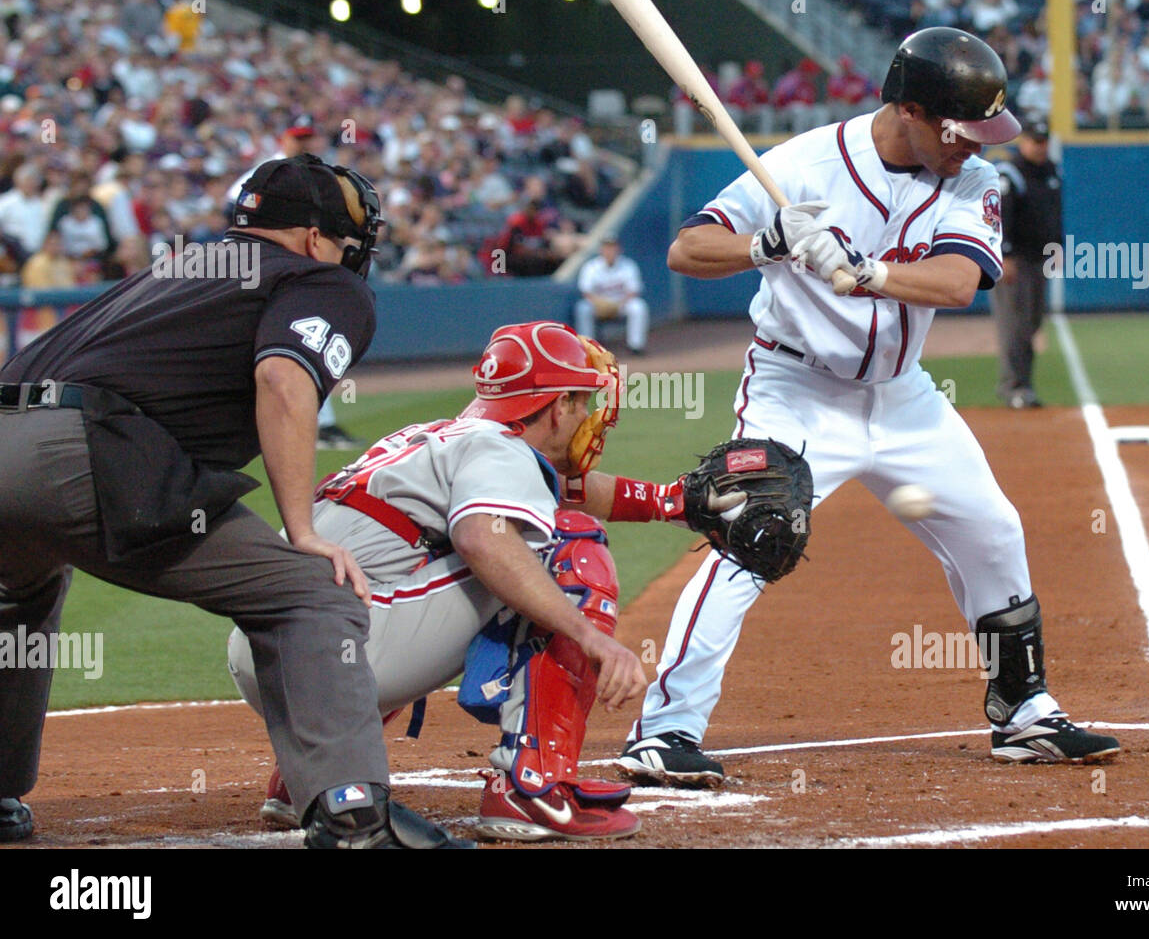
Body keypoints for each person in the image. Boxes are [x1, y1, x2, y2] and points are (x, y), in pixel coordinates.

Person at [615, 27, 1121, 788]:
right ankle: (663, 731)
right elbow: (688, 251)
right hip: (796, 390)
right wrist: (768, 242)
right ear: (910, 110)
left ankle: (1022, 711)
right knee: (752, 533)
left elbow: (957, 282)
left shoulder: (971, 177)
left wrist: (866, 271)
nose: (975, 146)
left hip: (905, 394)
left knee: (993, 529)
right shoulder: (798, 165)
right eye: (961, 130)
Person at [0, 154, 474, 849]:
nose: (349, 256)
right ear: (315, 238)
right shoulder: (320, 280)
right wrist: (301, 528)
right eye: (347, 242)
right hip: (79, 456)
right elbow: (284, 380)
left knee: (19, 593)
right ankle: (352, 814)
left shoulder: (182, 267)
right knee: (312, 592)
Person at [227, 322, 737, 841]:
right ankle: (533, 790)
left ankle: (315, 780)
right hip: (345, 648)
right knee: (567, 547)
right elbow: (483, 537)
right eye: (580, 401)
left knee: (420, 564)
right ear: (556, 405)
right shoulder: (500, 449)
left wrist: (667, 502)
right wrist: (591, 638)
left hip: (269, 654)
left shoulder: (438, 439)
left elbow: (554, 489)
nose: (586, 416)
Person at [225, 117, 356, 449]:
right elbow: (234, 209)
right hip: (266, 270)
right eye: (298, 138)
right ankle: (304, 424)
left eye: (308, 138)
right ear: (284, 140)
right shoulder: (265, 173)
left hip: (299, 268)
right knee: (289, 350)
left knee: (310, 344)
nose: (303, 144)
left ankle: (321, 424)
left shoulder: (323, 177)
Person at [991, 115, 1060, 409]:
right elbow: (999, 217)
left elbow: (1053, 215)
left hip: (1039, 258)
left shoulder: (1050, 172)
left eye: (1044, 141)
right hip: (1016, 259)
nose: (1040, 146)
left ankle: (1025, 385)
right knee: (1014, 325)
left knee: (1031, 325)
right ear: (1023, 141)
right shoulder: (1010, 173)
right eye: (1035, 141)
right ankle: (1013, 386)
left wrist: (1057, 248)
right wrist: (1004, 255)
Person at [573, 236, 650, 355]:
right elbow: (586, 292)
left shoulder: (628, 265)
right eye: (606, 247)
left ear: (619, 249)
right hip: (597, 304)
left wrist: (618, 305)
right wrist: (600, 304)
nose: (609, 250)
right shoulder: (591, 266)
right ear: (601, 250)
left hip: (621, 304)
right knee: (582, 308)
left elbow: (634, 290)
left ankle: (636, 346)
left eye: (612, 247)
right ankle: (588, 348)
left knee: (638, 306)